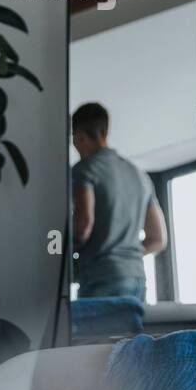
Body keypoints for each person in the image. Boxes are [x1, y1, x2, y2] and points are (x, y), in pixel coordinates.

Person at [70, 102, 167, 301]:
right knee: (129, 334)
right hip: (137, 280)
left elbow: (83, 225)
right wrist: (126, 256)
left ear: (79, 136)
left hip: (101, 277)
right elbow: (158, 239)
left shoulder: (85, 169)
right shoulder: (140, 175)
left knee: (89, 334)